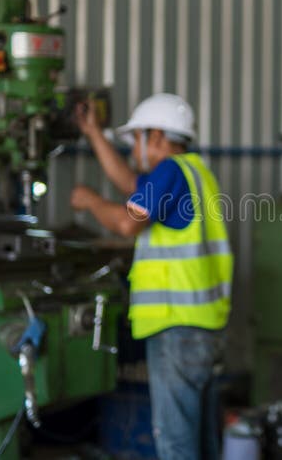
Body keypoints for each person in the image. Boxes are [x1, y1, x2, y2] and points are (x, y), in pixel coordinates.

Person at [71, 93, 233, 460]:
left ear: (156, 136)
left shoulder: (170, 171)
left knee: (176, 443)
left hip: (177, 329)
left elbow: (127, 223)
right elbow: (132, 185)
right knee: (201, 441)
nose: (133, 150)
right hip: (202, 327)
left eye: (136, 140)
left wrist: (91, 201)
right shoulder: (194, 172)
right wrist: (93, 134)